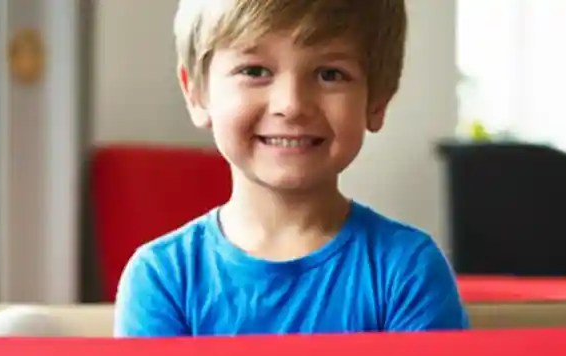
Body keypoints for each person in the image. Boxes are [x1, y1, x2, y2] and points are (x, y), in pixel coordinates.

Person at [114, 0, 468, 337]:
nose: (292, 105)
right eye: (254, 71)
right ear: (196, 93)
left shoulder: (408, 269)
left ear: (377, 101)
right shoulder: (163, 277)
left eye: (330, 74)